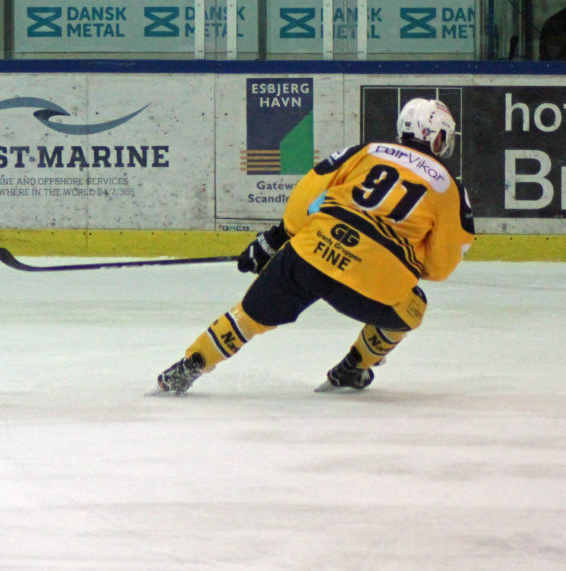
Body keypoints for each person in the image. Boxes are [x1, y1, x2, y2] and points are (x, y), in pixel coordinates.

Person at [157, 98, 475, 395]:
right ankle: (354, 367)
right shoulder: (449, 187)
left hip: (310, 255)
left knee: (248, 316)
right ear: (437, 138)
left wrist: (278, 238)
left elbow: (307, 192)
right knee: (414, 307)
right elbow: (439, 266)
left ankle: (190, 365)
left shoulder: (365, 151)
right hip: (374, 283)